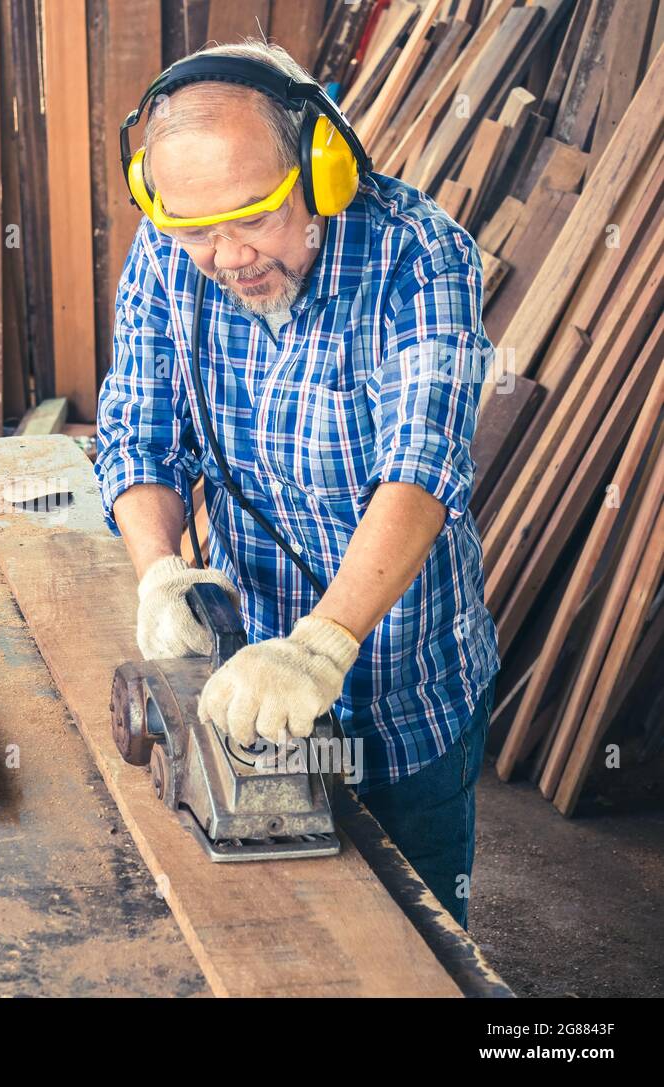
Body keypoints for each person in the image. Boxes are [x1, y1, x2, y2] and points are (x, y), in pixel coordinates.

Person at [94, 39, 499, 927]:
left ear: (321, 171)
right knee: (286, 931)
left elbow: (421, 470)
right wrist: (158, 567)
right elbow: (139, 437)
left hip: (405, 695)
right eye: (195, 228)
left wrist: (323, 646)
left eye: (252, 218)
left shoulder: (420, 258)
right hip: (246, 694)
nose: (225, 256)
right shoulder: (169, 258)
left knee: (417, 941)